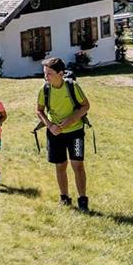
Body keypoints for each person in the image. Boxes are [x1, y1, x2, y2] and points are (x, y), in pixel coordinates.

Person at [36, 57, 91, 211]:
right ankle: (64, 198)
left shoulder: (72, 87)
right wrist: (50, 125)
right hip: (55, 135)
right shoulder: (44, 89)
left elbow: (86, 106)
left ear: (61, 73)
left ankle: (82, 200)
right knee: (60, 166)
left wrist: (71, 120)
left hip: (75, 133)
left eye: (49, 73)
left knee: (77, 166)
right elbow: (39, 110)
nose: (46, 77)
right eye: (45, 73)